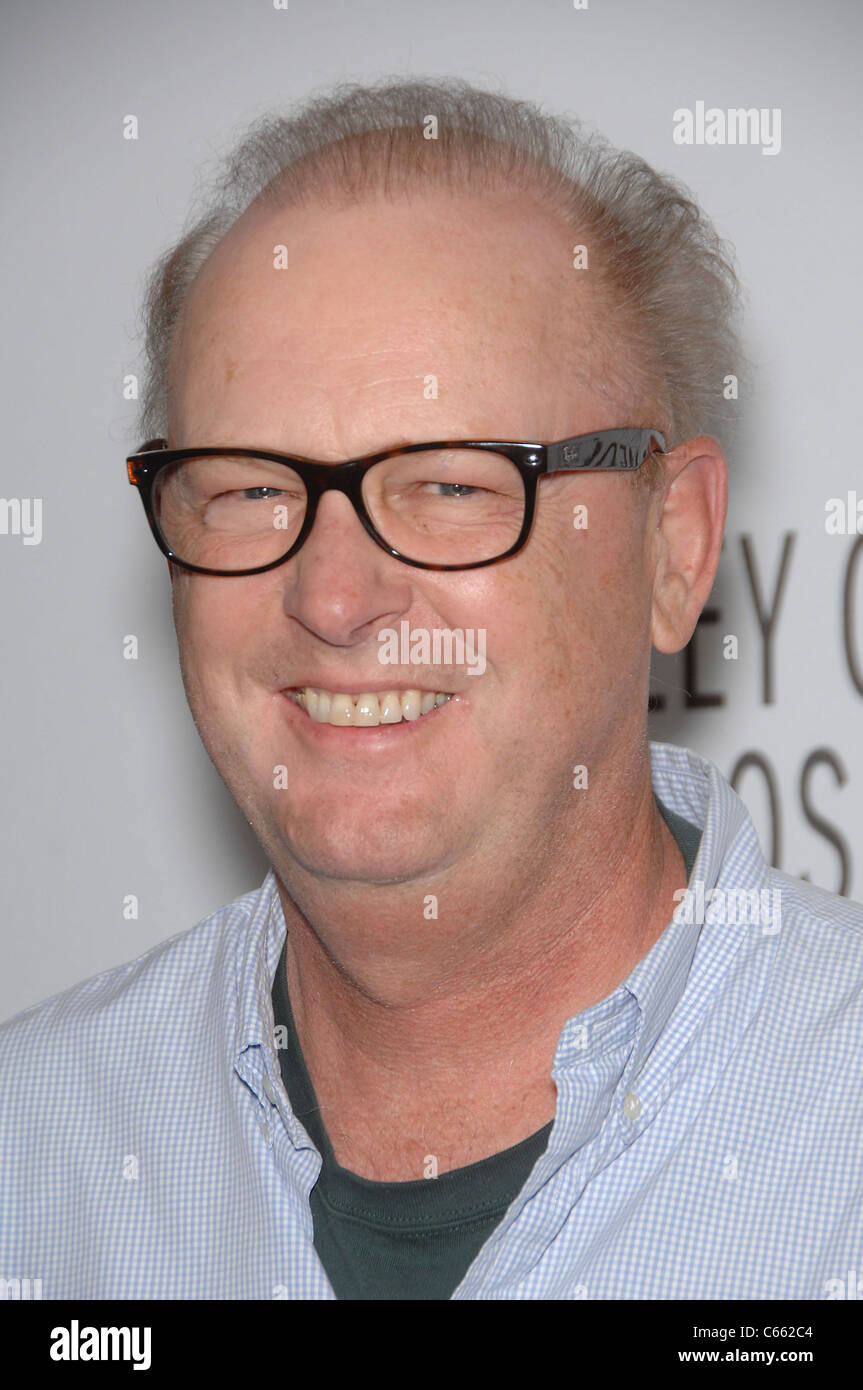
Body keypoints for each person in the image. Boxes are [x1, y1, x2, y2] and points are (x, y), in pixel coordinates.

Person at [2, 77, 861, 1302]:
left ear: (672, 547)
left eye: (451, 486)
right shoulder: (32, 1164)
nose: (333, 596)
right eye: (249, 488)